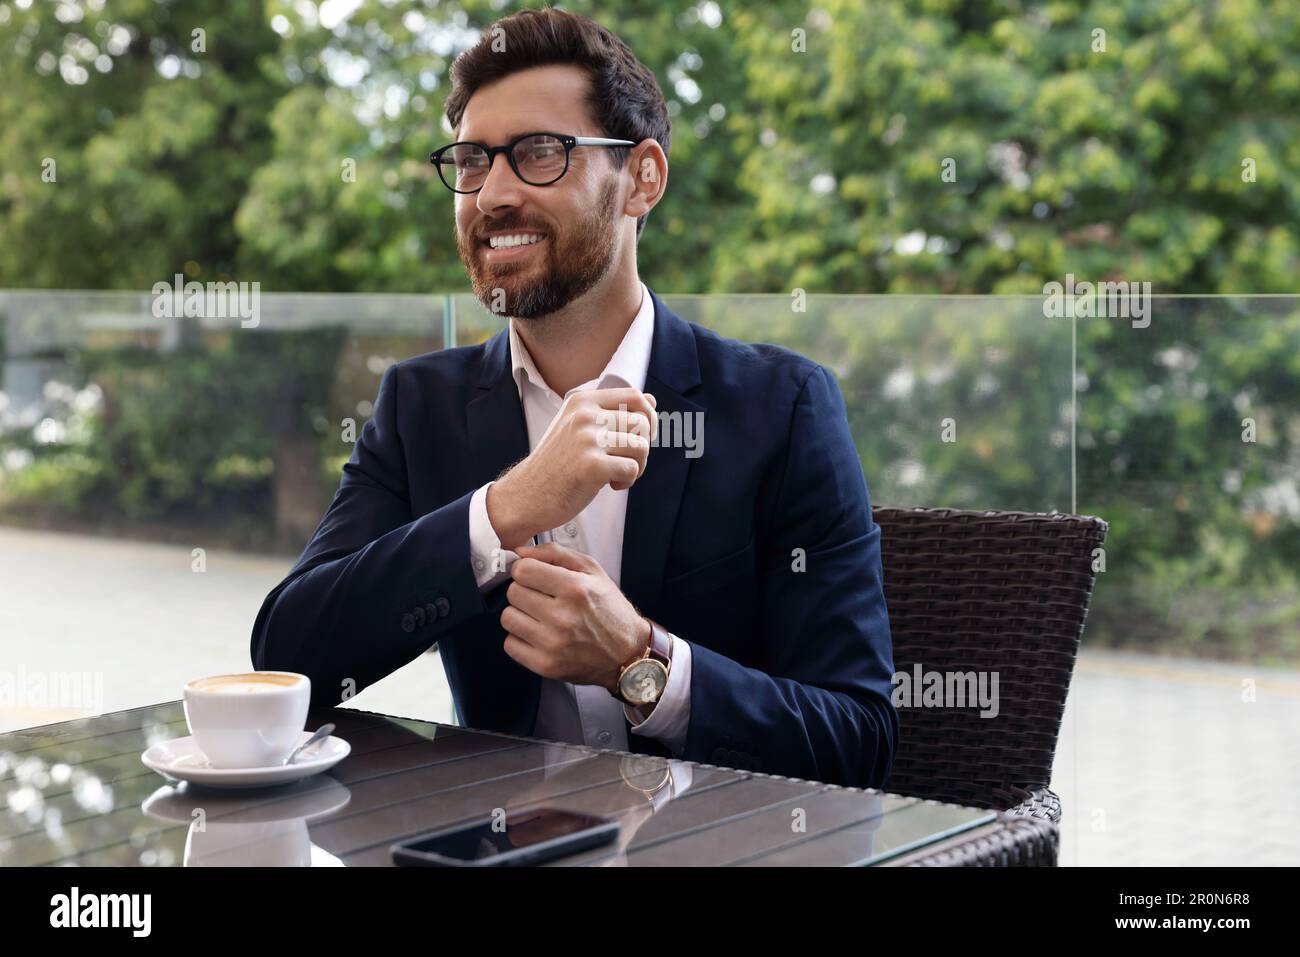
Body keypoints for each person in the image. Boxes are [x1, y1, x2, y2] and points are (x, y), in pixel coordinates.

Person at [251, 7, 897, 789]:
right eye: (472, 160)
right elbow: (290, 657)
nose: (491, 194)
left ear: (643, 179)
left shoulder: (782, 407)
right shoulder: (420, 404)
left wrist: (640, 659)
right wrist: (503, 510)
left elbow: (858, 739)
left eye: (538, 154)